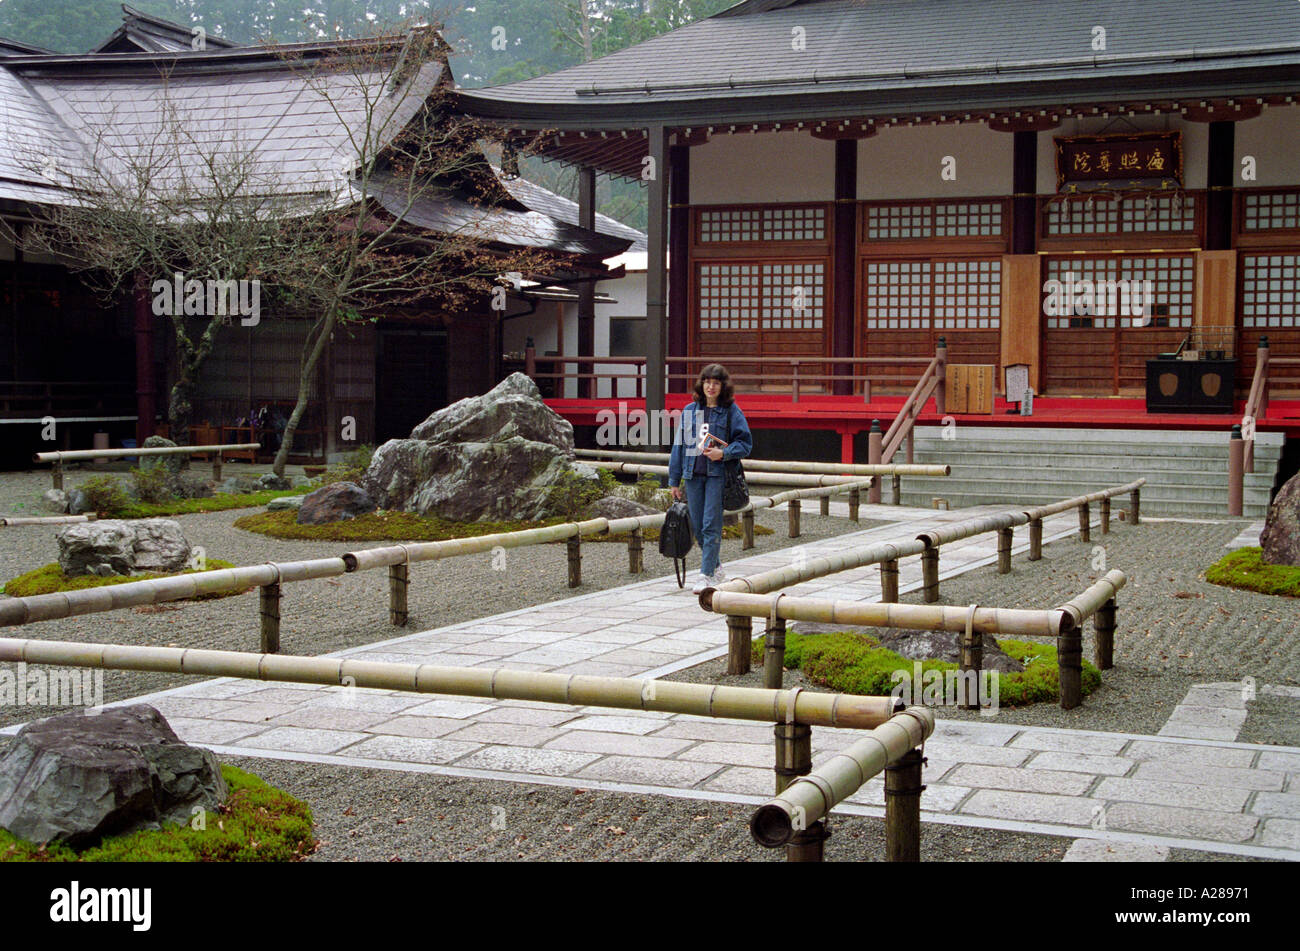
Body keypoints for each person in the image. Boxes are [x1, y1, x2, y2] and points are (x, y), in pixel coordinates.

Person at [667, 364, 753, 593]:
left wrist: (723, 453)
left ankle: (705, 575)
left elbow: (745, 444)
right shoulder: (689, 411)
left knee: (710, 524)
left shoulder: (731, 411)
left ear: (723, 386)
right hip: (693, 475)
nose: (711, 386)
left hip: (717, 476)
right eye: (707, 381)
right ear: (701, 384)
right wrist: (674, 480)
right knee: (696, 524)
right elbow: (679, 446)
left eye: (716, 382)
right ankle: (716, 569)